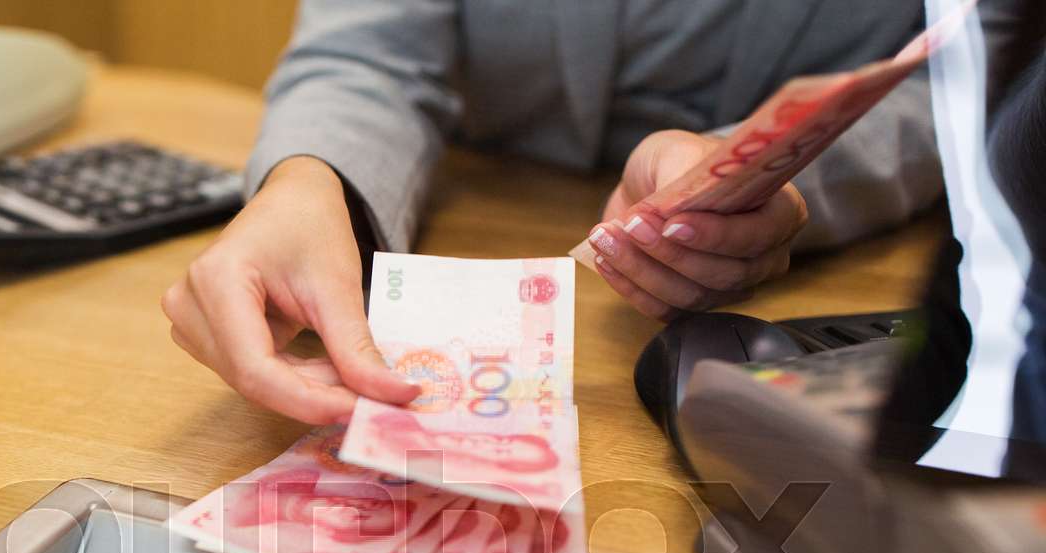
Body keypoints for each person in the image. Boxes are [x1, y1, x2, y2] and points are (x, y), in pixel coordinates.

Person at [163, 0, 1014, 424]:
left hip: (810, 305)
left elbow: (979, 69)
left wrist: (781, 183)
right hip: (471, 218)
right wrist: (311, 180)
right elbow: (367, 52)